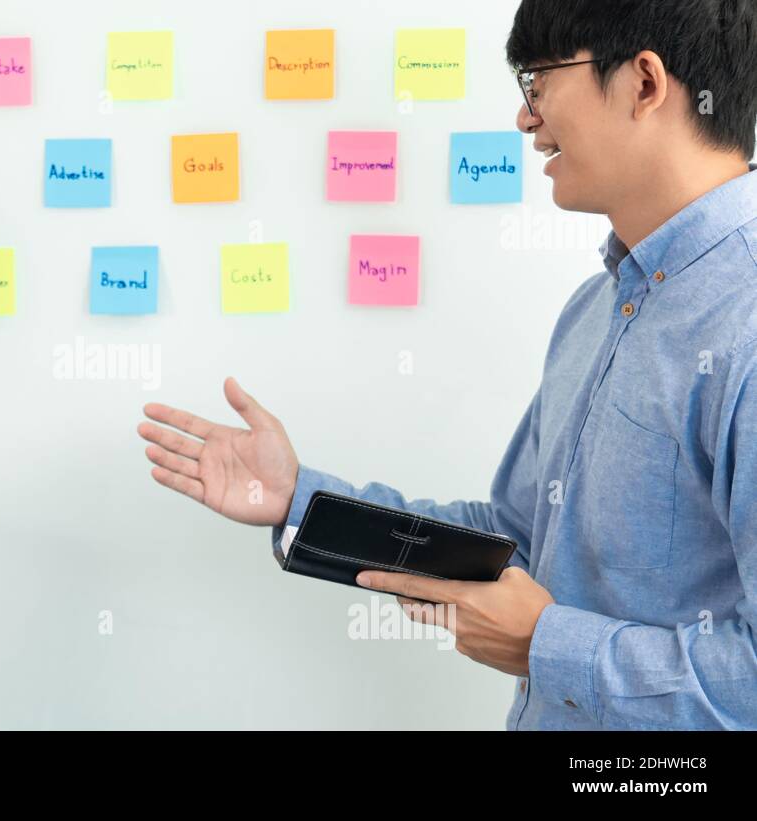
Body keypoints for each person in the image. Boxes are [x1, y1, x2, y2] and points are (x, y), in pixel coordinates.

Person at [139, 0, 757, 729]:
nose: (526, 119)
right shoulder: (594, 310)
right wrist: (300, 500)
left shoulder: (744, 324)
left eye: (539, 81)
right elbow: (511, 536)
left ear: (644, 83)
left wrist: (548, 644)